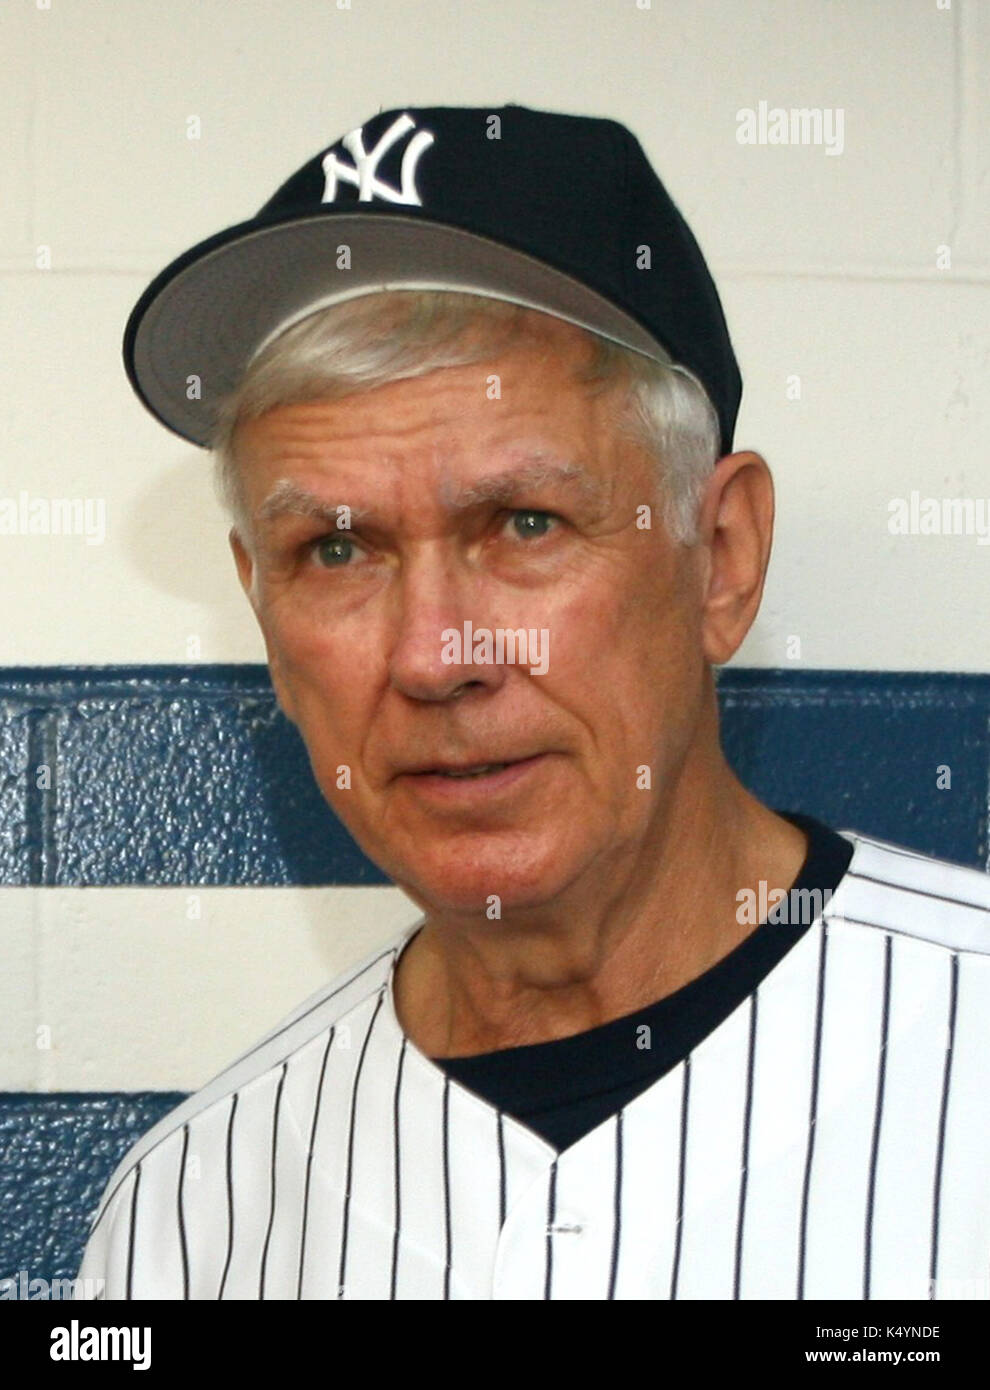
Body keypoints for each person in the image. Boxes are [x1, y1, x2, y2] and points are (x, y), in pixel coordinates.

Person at [76, 104, 990, 1300]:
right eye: (337, 551)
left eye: (524, 522)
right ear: (262, 608)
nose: (435, 654)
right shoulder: (183, 1221)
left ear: (719, 556)